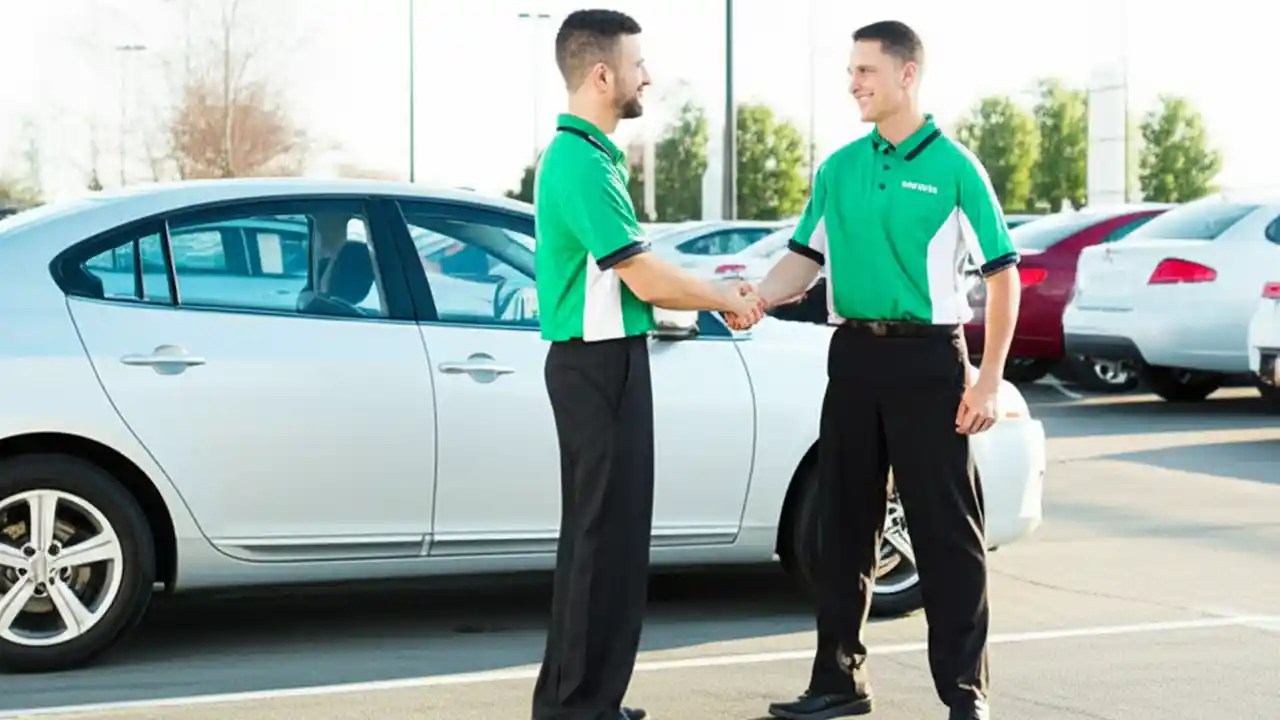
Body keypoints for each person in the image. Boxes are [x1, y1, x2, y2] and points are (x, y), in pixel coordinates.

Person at [754, 20, 1021, 720]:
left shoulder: (957, 167)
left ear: (908, 75)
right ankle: (839, 682)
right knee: (841, 527)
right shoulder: (838, 168)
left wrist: (987, 379)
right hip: (855, 360)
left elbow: (1003, 277)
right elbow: (801, 261)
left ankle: (966, 695)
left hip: (931, 361)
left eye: (865, 71)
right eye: (849, 72)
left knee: (946, 533)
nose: (853, 84)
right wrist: (755, 296)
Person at [530, 9, 764, 720]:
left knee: (604, 544)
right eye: (637, 65)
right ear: (602, 75)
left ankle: (586, 700)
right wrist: (724, 296)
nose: (647, 77)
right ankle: (579, 708)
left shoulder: (586, 157)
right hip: (598, 370)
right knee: (605, 547)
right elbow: (642, 277)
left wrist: (710, 290)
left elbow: (645, 271)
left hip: (604, 365)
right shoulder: (579, 161)